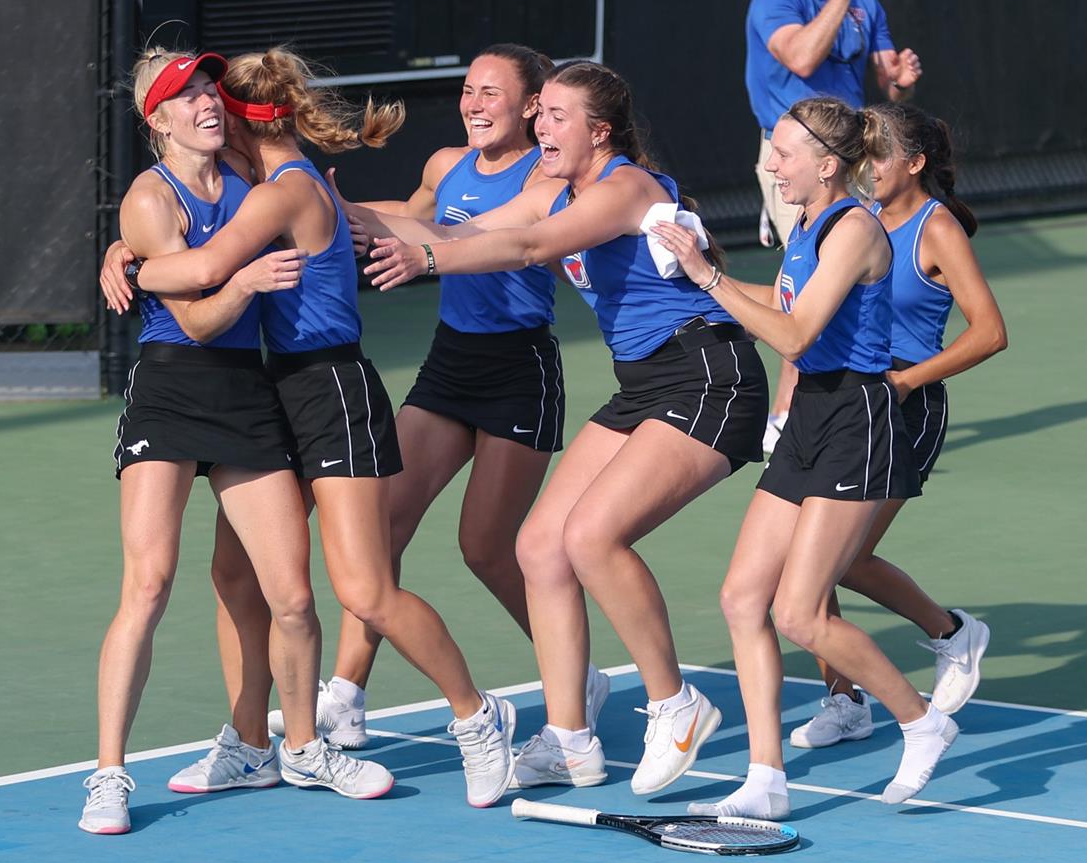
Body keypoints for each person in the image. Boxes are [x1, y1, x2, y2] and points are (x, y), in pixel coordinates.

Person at [110, 48, 517, 808]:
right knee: (236, 574)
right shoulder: (262, 183)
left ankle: (476, 716)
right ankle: (251, 744)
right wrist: (128, 239)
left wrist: (132, 264)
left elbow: (202, 269)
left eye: (218, 102)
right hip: (277, 392)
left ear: (243, 121)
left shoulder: (282, 193)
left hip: (332, 391)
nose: (208, 111)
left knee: (367, 590)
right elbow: (179, 224)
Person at [359, 60, 769, 797]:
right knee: (538, 546)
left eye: (555, 115)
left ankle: (675, 704)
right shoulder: (554, 190)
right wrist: (320, 206)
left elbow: (525, 248)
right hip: (644, 383)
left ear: (599, 131)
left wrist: (428, 259)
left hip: (708, 375)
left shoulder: (625, 188)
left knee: (591, 537)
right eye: (539, 112)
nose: (540, 126)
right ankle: (570, 740)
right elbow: (459, 228)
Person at [287, 45, 612, 745]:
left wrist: (418, 245)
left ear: (532, 106)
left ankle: (576, 674)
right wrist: (336, 207)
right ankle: (345, 697)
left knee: (486, 547)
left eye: (491, 93)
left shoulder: (547, 176)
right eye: (468, 90)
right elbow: (411, 213)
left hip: (519, 369)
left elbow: (484, 238)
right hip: (449, 364)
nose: (473, 103)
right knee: (381, 528)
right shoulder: (445, 165)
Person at [648, 96, 957, 818]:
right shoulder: (807, 224)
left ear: (826, 165)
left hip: (858, 418)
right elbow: (787, 302)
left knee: (800, 612)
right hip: (812, 415)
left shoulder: (855, 228)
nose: (771, 164)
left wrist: (707, 276)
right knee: (741, 597)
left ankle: (922, 720)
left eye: (783, 153)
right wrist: (704, 278)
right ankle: (766, 778)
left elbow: (794, 334)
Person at [83, 48, 357, 835]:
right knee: (149, 584)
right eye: (187, 96)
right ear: (158, 121)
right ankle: (108, 774)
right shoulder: (148, 198)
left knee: (293, 594)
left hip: (245, 392)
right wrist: (238, 281)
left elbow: (310, 201)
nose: (207, 102)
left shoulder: (246, 176)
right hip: (172, 389)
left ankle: (298, 747)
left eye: (210, 89)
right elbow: (200, 321)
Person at [789, 101, 1007, 751]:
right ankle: (844, 700)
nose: (867, 166)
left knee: (842, 562)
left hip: (905, 405)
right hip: (839, 403)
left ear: (914, 163)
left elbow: (990, 331)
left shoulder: (936, 228)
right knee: (804, 563)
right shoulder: (851, 220)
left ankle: (951, 633)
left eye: (878, 155)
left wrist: (906, 383)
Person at [746, 0, 926, 455]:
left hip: (855, 157)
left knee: (860, 278)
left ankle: (868, 397)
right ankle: (783, 415)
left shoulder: (866, 4)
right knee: (802, 280)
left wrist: (900, 80)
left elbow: (887, 80)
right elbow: (801, 57)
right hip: (796, 158)